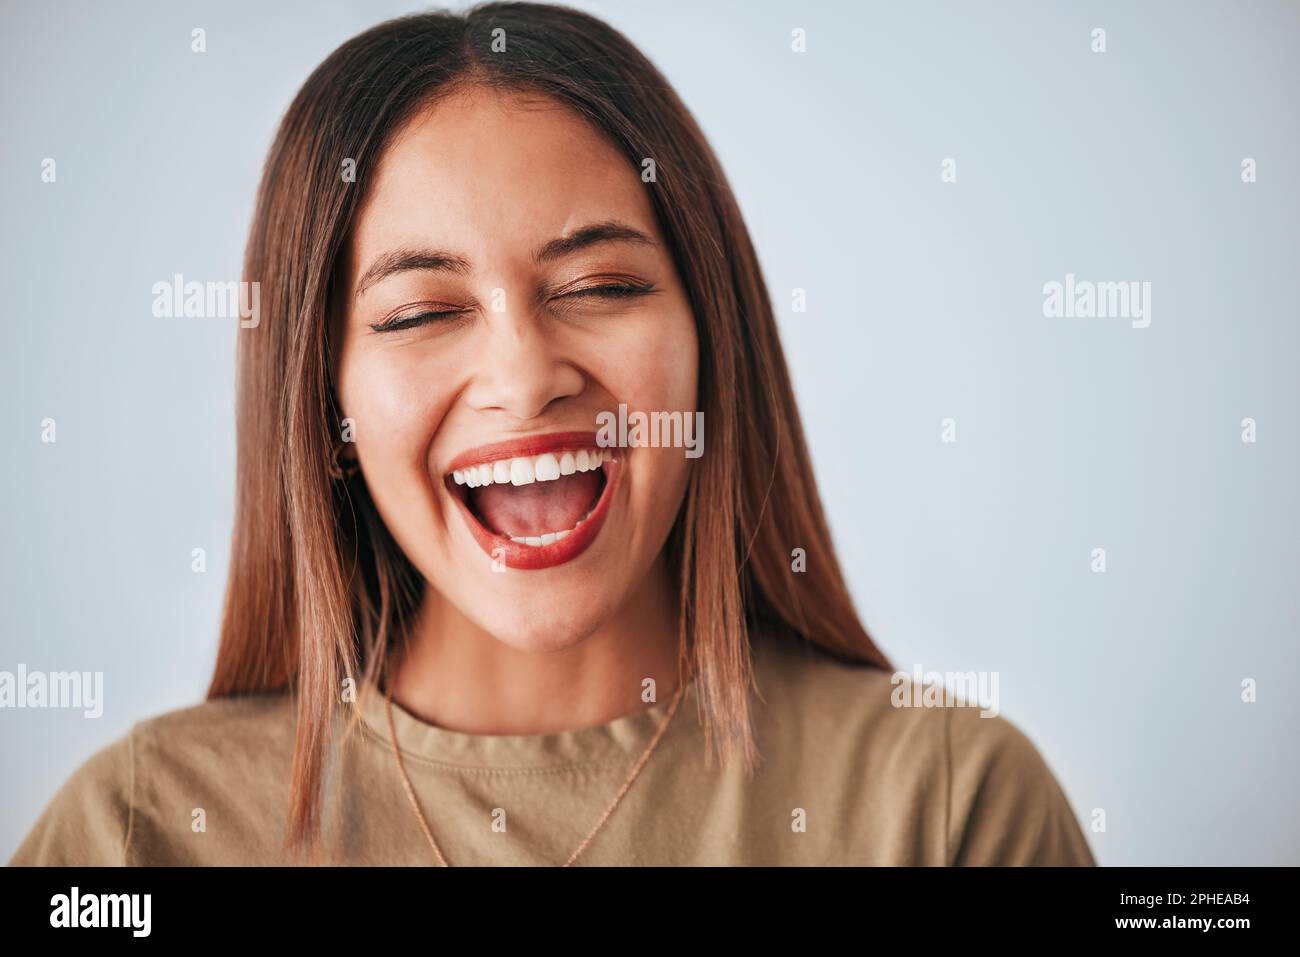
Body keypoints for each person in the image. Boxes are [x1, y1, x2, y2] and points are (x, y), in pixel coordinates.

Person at [11, 2, 1095, 867]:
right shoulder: (136, 837)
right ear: (326, 410)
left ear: (713, 344)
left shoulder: (948, 811)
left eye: (602, 284)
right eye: (421, 312)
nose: (525, 378)